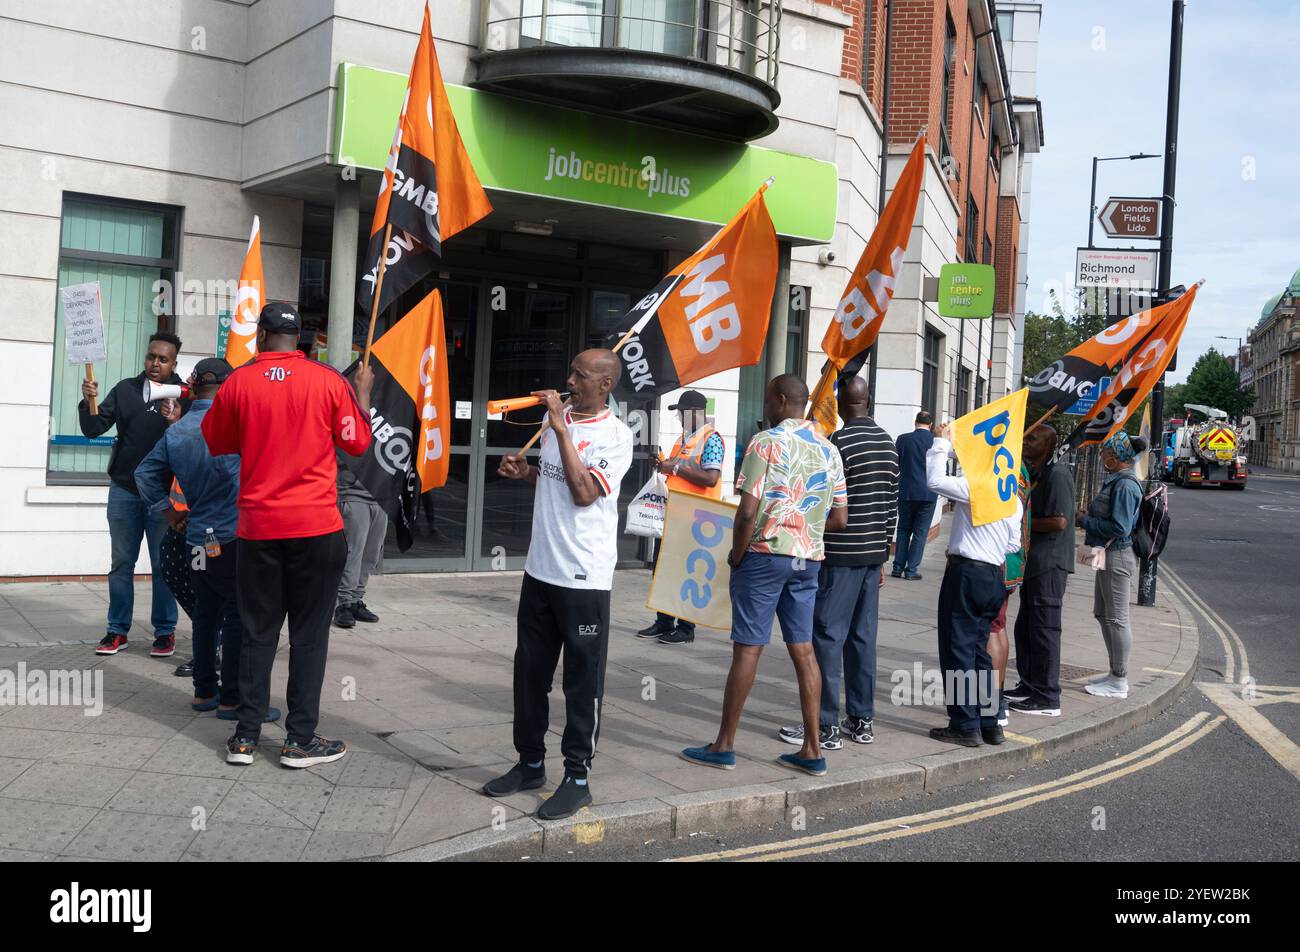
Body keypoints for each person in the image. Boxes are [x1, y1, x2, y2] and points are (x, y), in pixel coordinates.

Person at [202, 303, 373, 769]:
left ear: (261, 335)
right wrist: (360, 396)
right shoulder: (328, 382)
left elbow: (216, 440)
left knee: (257, 633)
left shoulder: (238, 382)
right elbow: (357, 442)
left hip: (258, 528)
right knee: (309, 636)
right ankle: (299, 740)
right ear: (301, 339)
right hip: (316, 528)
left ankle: (245, 737)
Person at [482, 349, 634, 821]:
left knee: (581, 682)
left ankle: (578, 776)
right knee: (529, 675)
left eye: (580, 375)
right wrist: (524, 471)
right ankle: (529, 763)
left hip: (584, 579)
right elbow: (552, 479)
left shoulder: (615, 436)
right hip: (540, 571)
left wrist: (564, 431)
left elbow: (585, 493)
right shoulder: (556, 422)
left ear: (605, 384)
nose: (569, 381)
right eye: (570, 371)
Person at [681, 374, 848, 778]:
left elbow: (746, 513)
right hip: (807, 560)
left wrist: (737, 556)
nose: (765, 408)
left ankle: (724, 745)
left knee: (748, 648)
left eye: (768, 400)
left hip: (763, 556)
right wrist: (803, 527)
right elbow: (840, 518)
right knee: (803, 650)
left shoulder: (766, 442)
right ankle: (812, 749)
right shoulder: (829, 449)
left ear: (780, 399)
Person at [136, 358, 280, 725]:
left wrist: (170, 513)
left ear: (194, 383)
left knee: (205, 614)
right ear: (230, 385)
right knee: (235, 617)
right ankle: (231, 700)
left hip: (198, 536)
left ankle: (204, 692)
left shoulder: (178, 431)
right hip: (233, 537)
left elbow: (144, 474)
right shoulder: (241, 426)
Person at [778, 377, 898, 749]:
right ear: (868, 401)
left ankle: (826, 723)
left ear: (842, 406)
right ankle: (862, 721)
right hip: (872, 555)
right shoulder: (890, 444)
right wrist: (883, 556)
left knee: (828, 637)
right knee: (863, 639)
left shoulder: (839, 445)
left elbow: (824, 499)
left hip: (840, 554)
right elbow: (892, 505)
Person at [79, 331, 187, 657]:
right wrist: (89, 402)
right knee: (121, 564)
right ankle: (117, 631)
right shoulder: (125, 389)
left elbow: (196, 440)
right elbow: (93, 428)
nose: (155, 364)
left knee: (163, 565)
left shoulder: (185, 395)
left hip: (163, 498)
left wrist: (176, 422)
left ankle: (165, 632)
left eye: (163, 359)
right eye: (151, 357)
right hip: (124, 491)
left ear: (174, 363)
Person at [925, 422, 1022, 747]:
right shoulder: (1011, 496)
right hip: (993, 575)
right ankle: (990, 721)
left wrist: (940, 443)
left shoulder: (977, 485)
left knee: (958, 650)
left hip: (966, 573)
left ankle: (964, 725)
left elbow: (935, 481)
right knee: (979, 650)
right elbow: (1012, 546)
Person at [636, 389, 725, 646]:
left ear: (695, 413)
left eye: (682, 414)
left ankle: (686, 628)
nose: (680, 418)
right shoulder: (685, 439)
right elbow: (680, 468)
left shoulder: (712, 440)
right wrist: (663, 464)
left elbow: (711, 477)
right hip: (674, 516)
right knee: (665, 570)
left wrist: (674, 467)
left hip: (696, 520)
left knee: (688, 574)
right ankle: (664, 622)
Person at [1006, 424, 1076, 718]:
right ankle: (1030, 684)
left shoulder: (1058, 474)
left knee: (1045, 630)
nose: (1025, 441)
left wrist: (1021, 523)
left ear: (1049, 444)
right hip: (1035, 563)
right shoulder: (1039, 471)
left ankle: (1047, 696)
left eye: (1032, 438)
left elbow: (1059, 521)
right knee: (1027, 628)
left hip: (1050, 563)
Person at [1076, 432, 1146, 700]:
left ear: (1116, 458)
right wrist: (1090, 514)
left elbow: (1121, 527)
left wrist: (1085, 522)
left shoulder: (1126, 485)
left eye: (1105, 453)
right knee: (1103, 614)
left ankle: (1119, 680)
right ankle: (1114, 672)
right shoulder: (1117, 479)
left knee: (1117, 619)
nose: (1102, 456)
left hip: (1117, 557)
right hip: (1107, 555)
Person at [989, 461, 1031, 727]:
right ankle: (996, 699)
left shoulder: (1002, 465)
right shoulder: (1018, 466)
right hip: (1009, 562)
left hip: (995, 562)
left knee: (989, 630)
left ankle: (991, 705)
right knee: (998, 627)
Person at [334, 459, 387, 629]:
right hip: (353, 495)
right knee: (353, 554)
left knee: (372, 554)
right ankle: (343, 604)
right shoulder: (353, 431)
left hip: (381, 497)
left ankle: (356, 600)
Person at [893, 410, 938, 580]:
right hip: (928, 493)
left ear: (915, 422)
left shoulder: (903, 439)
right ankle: (911, 570)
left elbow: (896, 464)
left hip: (906, 491)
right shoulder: (935, 441)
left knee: (903, 529)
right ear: (930, 424)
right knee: (920, 532)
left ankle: (897, 567)